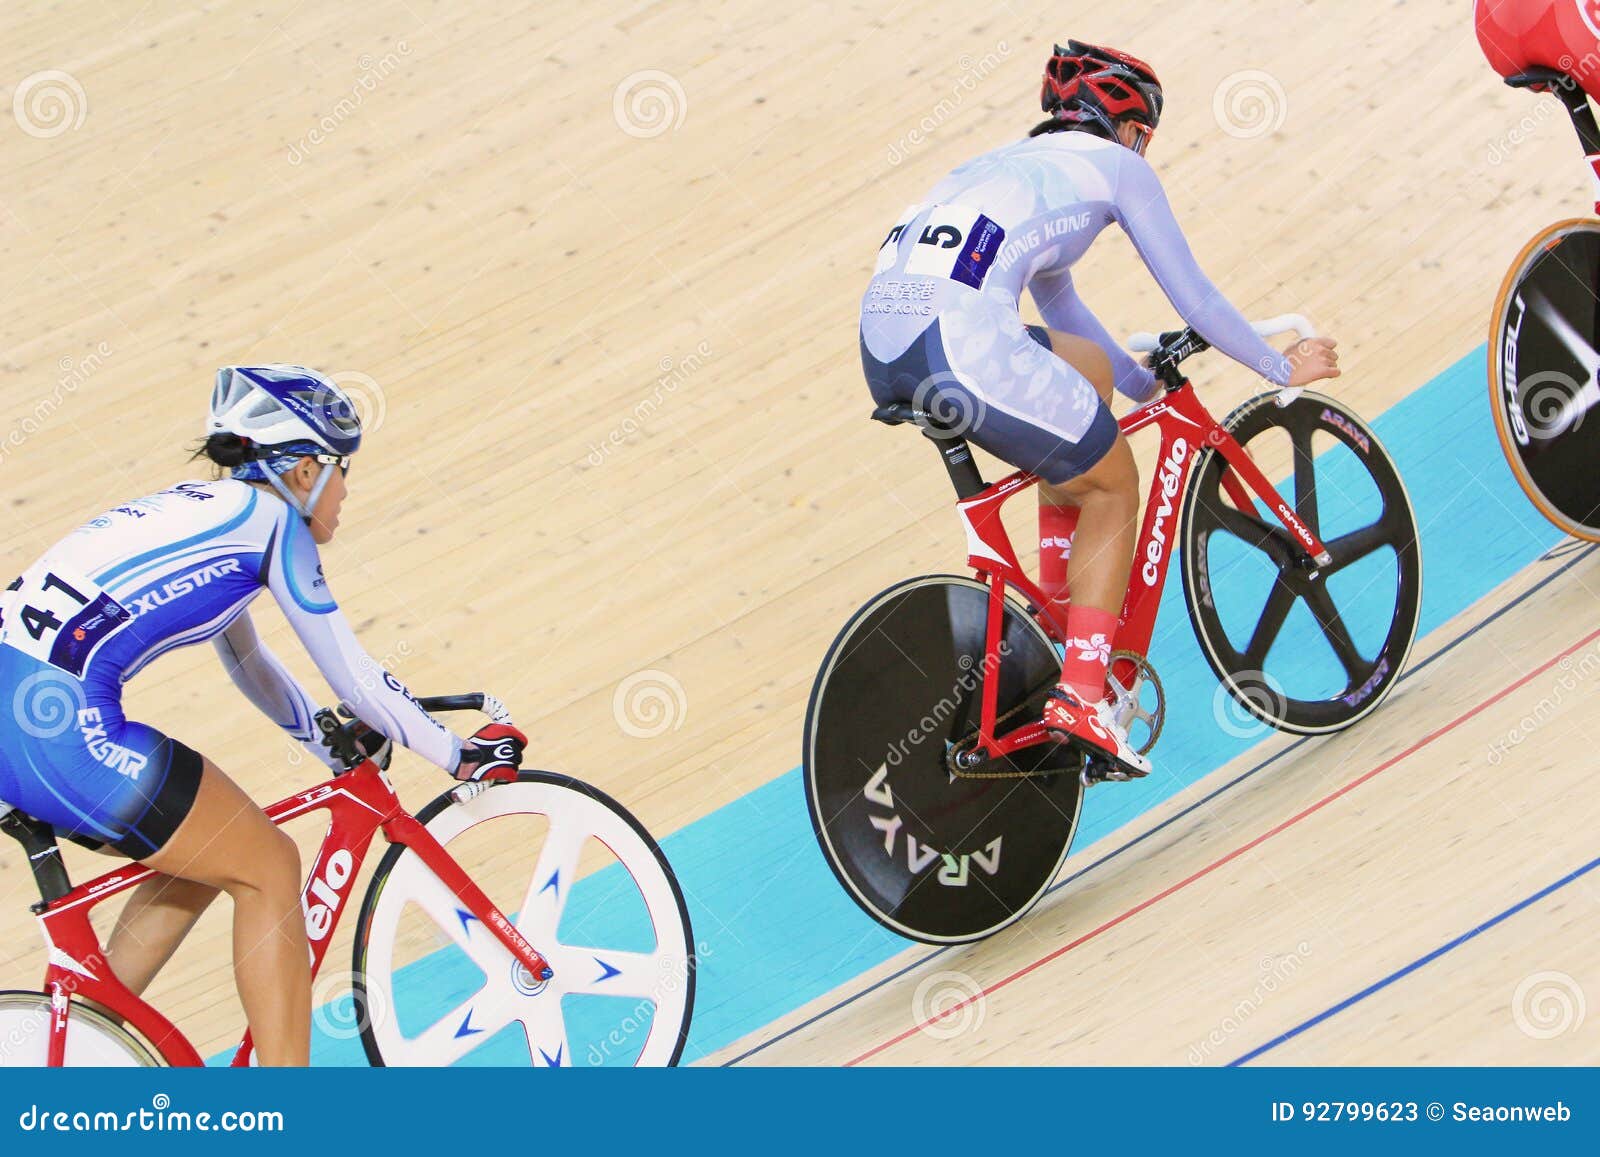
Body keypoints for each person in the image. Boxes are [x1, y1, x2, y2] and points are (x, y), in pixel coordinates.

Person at [0, 365, 527, 1065]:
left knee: (200, 856)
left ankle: (79, 1055)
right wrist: (459, 755)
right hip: (60, 731)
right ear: (306, 470)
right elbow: (355, 676)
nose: (346, 490)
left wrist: (333, 749)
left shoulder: (213, 512)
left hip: (26, 720)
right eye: (342, 470)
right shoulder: (275, 524)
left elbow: (248, 661)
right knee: (269, 867)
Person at [860, 40, 1340, 779]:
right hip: (961, 344)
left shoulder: (1007, 166)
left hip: (888, 345)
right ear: (1132, 129)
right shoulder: (1119, 167)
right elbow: (1196, 297)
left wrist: (1148, 387)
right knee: (1113, 482)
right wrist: (1280, 366)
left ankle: (1059, 624)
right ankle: (1084, 694)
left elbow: (1066, 316)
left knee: (1080, 378)